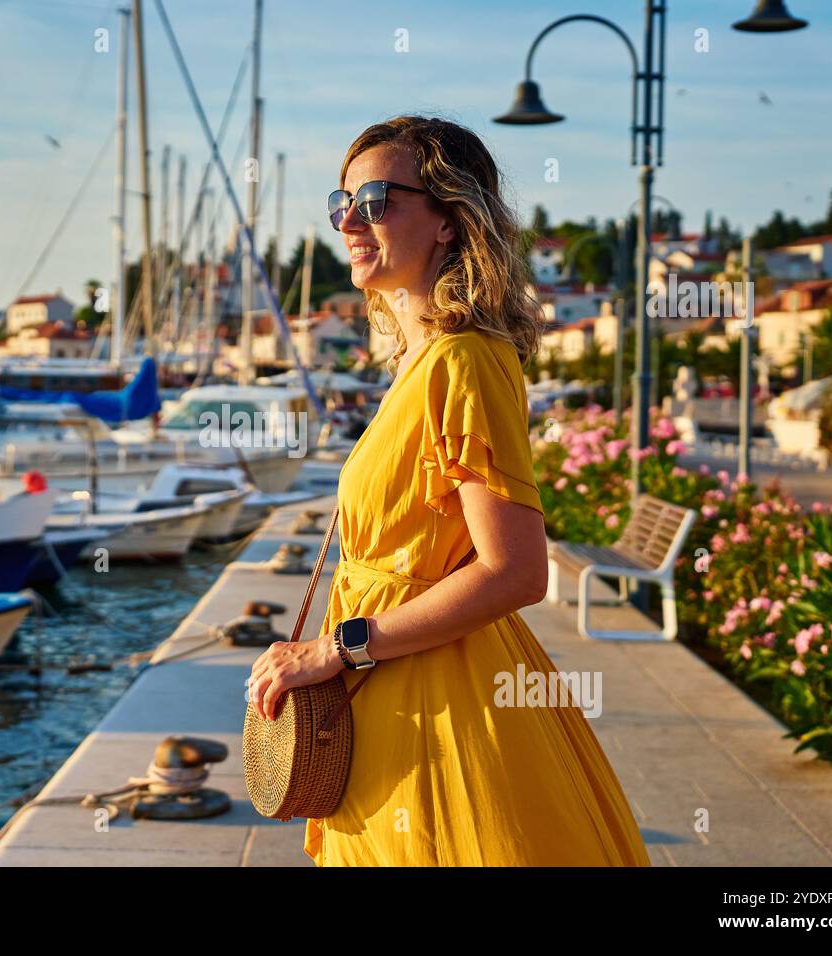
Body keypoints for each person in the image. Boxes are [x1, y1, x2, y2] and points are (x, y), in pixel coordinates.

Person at [246, 115, 652, 867]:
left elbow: (517, 571)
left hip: (439, 701)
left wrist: (336, 648)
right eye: (343, 205)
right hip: (396, 686)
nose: (352, 223)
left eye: (376, 201)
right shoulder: (419, 363)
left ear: (447, 220)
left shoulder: (463, 361)